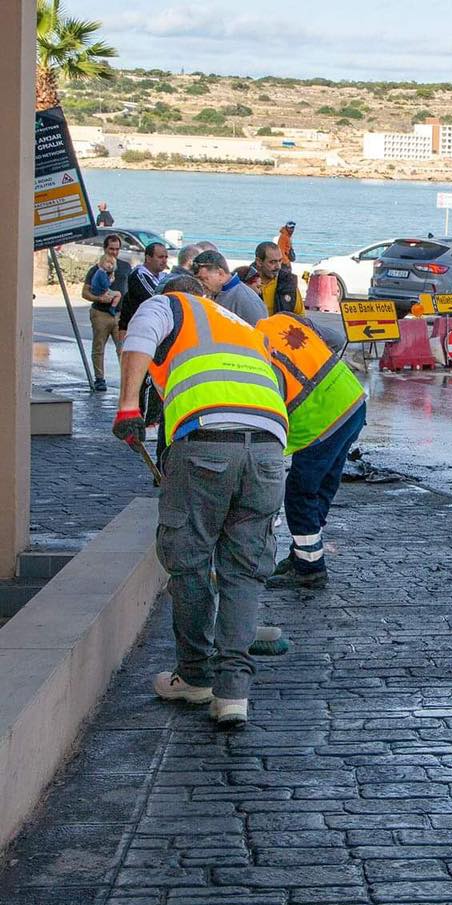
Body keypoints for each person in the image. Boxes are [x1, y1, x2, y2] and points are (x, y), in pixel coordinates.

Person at [112, 275, 289, 728]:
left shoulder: (168, 305)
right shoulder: (242, 326)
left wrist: (129, 406)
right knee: (244, 569)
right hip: (269, 450)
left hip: (206, 443)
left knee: (188, 560)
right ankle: (234, 695)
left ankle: (195, 677)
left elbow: (138, 338)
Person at [255, 311, 367, 589]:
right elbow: (337, 338)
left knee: (300, 492)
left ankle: (309, 568)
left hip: (320, 423)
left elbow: (274, 400)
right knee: (322, 485)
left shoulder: (255, 349)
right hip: (351, 402)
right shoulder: (285, 319)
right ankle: (304, 552)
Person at [80, 236, 127, 389]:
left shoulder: (125, 267)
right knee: (99, 347)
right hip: (100, 313)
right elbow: (85, 293)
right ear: (105, 249)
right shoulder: (96, 270)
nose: (114, 252)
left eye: (117, 249)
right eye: (111, 249)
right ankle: (99, 379)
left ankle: (128, 379)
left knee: (123, 348)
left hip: (120, 315)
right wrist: (99, 298)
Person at [192, 250, 268, 324]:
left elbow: (260, 333)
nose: (200, 284)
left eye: (203, 279)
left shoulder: (248, 300)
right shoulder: (215, 292)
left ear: (220, 273)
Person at [120, 242, 169, 332]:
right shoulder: (139, 274)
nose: (164, 260)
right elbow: (154, 297)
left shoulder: (163, 276)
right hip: (140, 327)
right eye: (160, 257)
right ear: (148, 258)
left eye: (166, 257)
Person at [253, 241, 304, 315]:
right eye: (272, 262)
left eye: (280, 261)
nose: (278, 266)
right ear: (259, 262)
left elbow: (300, 315)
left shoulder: (288, 283)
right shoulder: (246, 284)